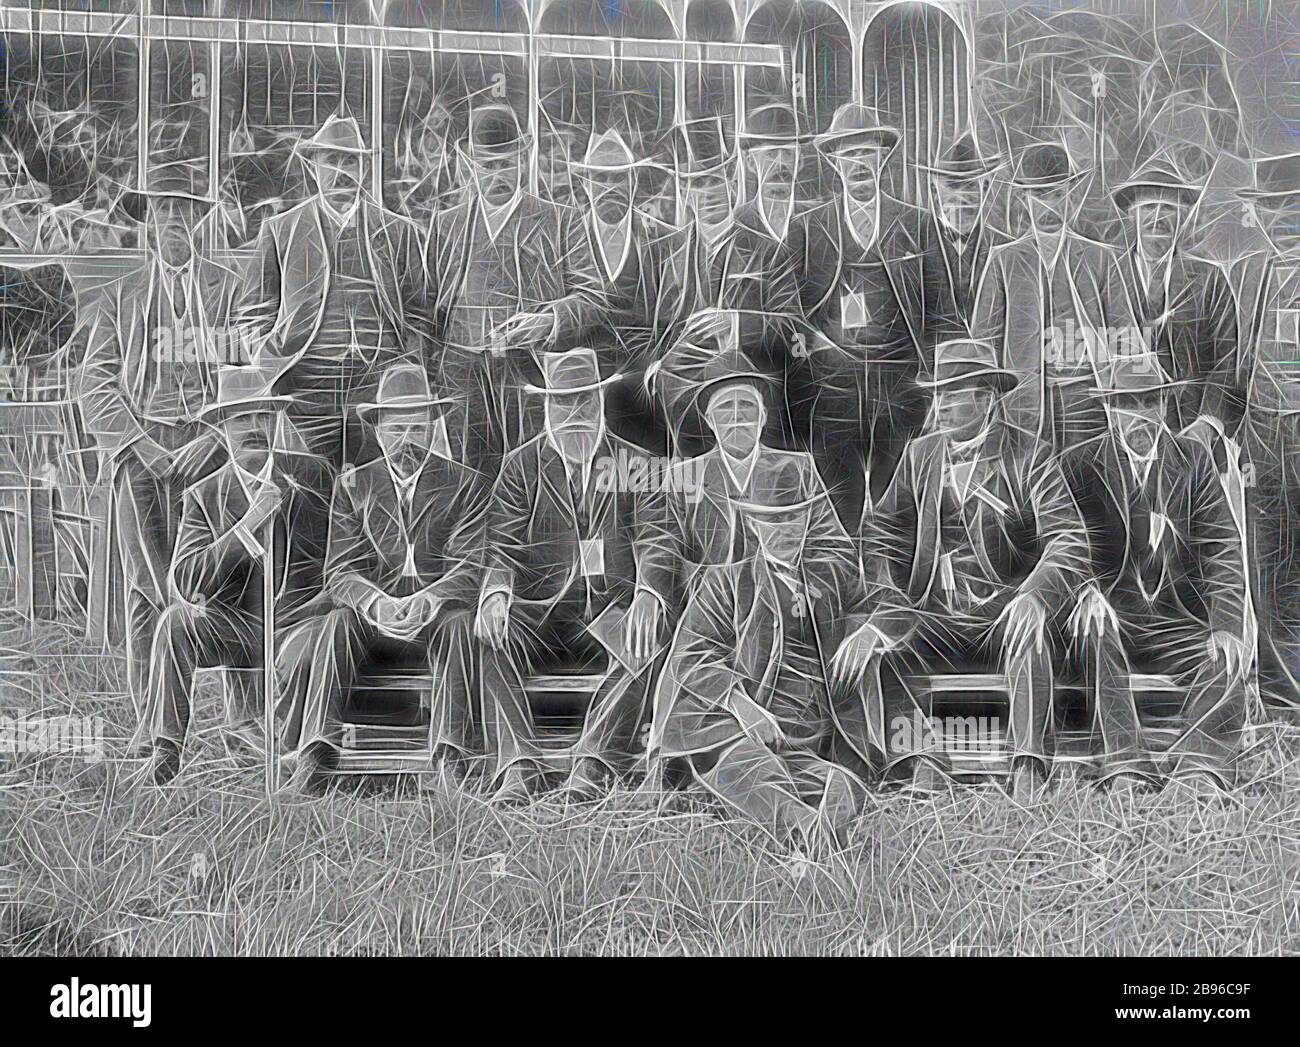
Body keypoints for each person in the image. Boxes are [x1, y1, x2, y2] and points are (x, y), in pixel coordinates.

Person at [829, 339, 1090, 798]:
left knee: (1029, 634)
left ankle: (1027, 764)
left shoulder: (1029, 454)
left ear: (986, 398)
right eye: (936, 394)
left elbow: (1068, 536)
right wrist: (887, 610)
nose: (940, 405)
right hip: (939, 613)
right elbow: (879, 532)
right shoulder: (921, 455)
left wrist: (1033, 595)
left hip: (1002, 614)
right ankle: (922, 760)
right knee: (874, 644)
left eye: (951, 394)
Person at [234, 113, 425, 608]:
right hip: (306, 393)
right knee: (306, 509)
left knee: (378, 509)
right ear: (313, 167)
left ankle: (374, 617)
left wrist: (407, 381)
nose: (343, 172)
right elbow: (251, 313)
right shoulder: (282, 229)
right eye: (332, 161)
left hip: (377, 398)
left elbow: (420, 313)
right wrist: (270, 361)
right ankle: (301, 622)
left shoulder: (398, 232)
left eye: (352, 162)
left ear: (363, 169)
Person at [475, 348, 673, 803]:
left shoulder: (636, 464)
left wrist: (647, 592)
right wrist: (496, 594)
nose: (573, 416)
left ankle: (592, 766)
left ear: (601, 404)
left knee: (646, 635)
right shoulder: (520, 467)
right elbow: (501, 544)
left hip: (611, 611)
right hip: (546, 613)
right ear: (546, 408)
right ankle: (518, 767)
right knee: (488, 635)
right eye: (562, 404)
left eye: (584, 402)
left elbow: (656, 537)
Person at [277, 364, 488, 789]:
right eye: (396, 429)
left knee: (463, 625)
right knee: (336, 622)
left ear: (433, 428)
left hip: (436, 619)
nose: (407, 440)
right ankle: (315, 752)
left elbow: (471, 565)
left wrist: (429, 600)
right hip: (374, 620)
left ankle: (449, 757)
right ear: (376, 429)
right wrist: (376, 603)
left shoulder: (464, 483)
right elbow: (339, 571)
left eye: (417, 428)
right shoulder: (354, 484)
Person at [80, 150, 236, 713]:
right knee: (147, 591)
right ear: (147, 218)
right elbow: (94, 382)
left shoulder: (227, 290)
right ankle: (155, 728)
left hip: (209, 453)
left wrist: (217, 439)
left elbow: (248, 377)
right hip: (141, 454)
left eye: (183, 210)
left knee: (224, 579)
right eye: (162, 208)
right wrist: (139, 443)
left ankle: (240, 722)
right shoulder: (121, 297)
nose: (172, 219)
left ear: (197, 219)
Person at [1063, 354, 1250, 791]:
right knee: (1092, 630)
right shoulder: (1081, 464)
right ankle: (1126, 766)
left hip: (1175, 621)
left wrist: (1224, 625)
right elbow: (1065, 543)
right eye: (1128, 404)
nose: (1140, 415)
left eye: (1150, 402)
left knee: (1226, 659)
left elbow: (1222, 548)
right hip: (1113, 619)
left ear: (1165, 407)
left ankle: (1198, 769)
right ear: (1110, 410)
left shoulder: (1193, 459)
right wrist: (1086, 590)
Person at [651, 494, 867, 851]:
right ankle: (809, 843)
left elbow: (874, 603)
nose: (787, 531)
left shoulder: (828, 582)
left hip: (802, 742)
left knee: (842, 785)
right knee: (752, 771)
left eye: (795, 519)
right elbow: (691, 654)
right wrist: (743, 706)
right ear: (753, 525)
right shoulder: (728, 582)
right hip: (736, 733)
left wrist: (868, 633)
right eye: (774, 521)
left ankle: (805, 838)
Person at [135, 363, 295, 785]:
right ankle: (166, 750)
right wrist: (248, 527)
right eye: (241, 417)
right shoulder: (204, 495)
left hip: (295, 621)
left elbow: (325, 564)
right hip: (234, 626)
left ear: (276, 420)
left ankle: (264, 740)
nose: (254, 427)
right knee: (174, 622)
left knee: (270, 752)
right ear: (222, 428)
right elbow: (185, 579)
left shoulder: (308, 479)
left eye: (263, 415)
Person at [421, 103, 602, 470]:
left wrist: (549, 320)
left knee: (530, 475)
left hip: (533, 375)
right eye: (488, 165)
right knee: (469, 479)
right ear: (471, 165)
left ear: (524, 157)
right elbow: (426, 309)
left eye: (507, 162)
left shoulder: (560, 220)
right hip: (463, 381)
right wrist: (434, 381)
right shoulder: (446, 226)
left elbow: (595, 298)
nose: (498, 174)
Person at [798, 102, 926, 526]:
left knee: (897, 510)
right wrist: (813, 349)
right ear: (834, 162)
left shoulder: (916, 225)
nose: (858, 164)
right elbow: (790, 315)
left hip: (900, 390)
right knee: (840, 511)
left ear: (882, 158)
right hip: (833, 392)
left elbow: (939, 312)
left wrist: (931, 382)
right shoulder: (810, 229)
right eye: (848, 155)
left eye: (866, 153)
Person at [975, 142, 1134, 448]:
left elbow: (1124, 339)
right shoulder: (1003, 261)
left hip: (1088, 407)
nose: (1048, 206)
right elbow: (984, 344)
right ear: (1024, 199)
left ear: (1071, 197)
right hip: (1022, 410)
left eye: (1057, 194)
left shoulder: (1099, 258)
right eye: (1039, 196)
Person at [567, 128, 693, 450]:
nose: (610, 188)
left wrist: (657, 366)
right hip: (579, 385)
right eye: (601, 180)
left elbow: (675, 319)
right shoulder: (562, 238)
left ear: (634, 183)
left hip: (643, 384)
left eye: (619, 179)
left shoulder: (663, 240)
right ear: (585, 184)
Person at [1112, 155, 1243, 441]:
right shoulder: (1104, 276)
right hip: (1121, 437)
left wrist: (1207, 424)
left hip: (1192, 435)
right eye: (1148, 207)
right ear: (1131, 214)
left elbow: (1226, 360)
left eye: (1167, 208)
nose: (1157, 217)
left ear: (1182, 216)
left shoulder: (1210, 279)